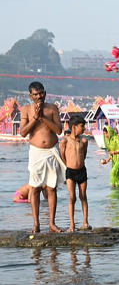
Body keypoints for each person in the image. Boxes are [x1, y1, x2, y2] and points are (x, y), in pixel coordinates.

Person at [20, 81, 64, 233]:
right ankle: (36, 224)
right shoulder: (26, 109)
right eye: (36, 94)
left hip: (51, 151)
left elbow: (59, 130)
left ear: (45, 93)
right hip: (36, 152)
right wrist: (35, 118)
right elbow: (23, 132)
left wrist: (43, 118)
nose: (40, 97)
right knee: (35, 188)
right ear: (30, 96)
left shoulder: (52, 108)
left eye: (42, 93)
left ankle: (52, 223)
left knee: (52, 188)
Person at [59, 116, 91, 231]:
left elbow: (84, 155)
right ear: (74, 127)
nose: (84, 128)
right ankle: (72, 225)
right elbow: (63, 156)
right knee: (72, 197)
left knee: (83, 196)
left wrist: (78, 164)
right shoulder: (65, 141)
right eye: (82, 126)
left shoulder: (84, 141)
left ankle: (85, 222)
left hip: (82, 171)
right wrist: (69, 165)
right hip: (70, 172)